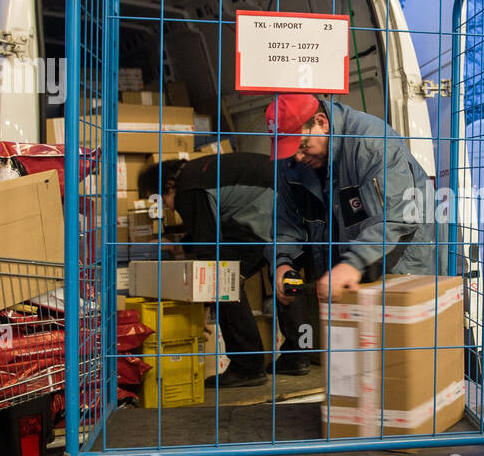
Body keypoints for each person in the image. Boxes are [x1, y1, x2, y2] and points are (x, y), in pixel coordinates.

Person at [138, 151, 309, 388]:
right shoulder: (201, 171)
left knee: (220, 277)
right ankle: (298, 354)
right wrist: (181, 243)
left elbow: (211, 247)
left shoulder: (188, 187)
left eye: (160, 198)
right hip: (297, 205)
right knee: (287, 274)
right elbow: (218, 225)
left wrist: (205, 299)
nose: (166, 207)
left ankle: (247, 367)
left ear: (168, 185)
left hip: (268, 211)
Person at [266, 92, 436, 308]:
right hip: (345, 274)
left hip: (399, 267)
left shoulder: (371, 143)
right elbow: (286, 224)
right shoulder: (292, 164)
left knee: (393, 338)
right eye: (290, 151)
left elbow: (395, 217)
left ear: (322, 122)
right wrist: (282, 262)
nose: (298, 157)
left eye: (303, 145)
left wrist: (352, 263)